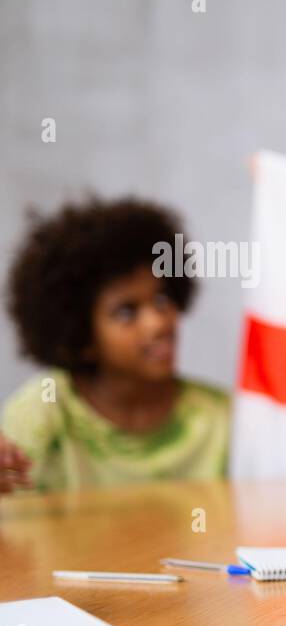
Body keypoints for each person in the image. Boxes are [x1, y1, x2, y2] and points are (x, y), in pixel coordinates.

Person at [1, 197, 229, 494]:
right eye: (127, 311)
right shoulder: (40, 417)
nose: (158, 323)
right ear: (82, 338)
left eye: (161, 299)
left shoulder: (221, 418)